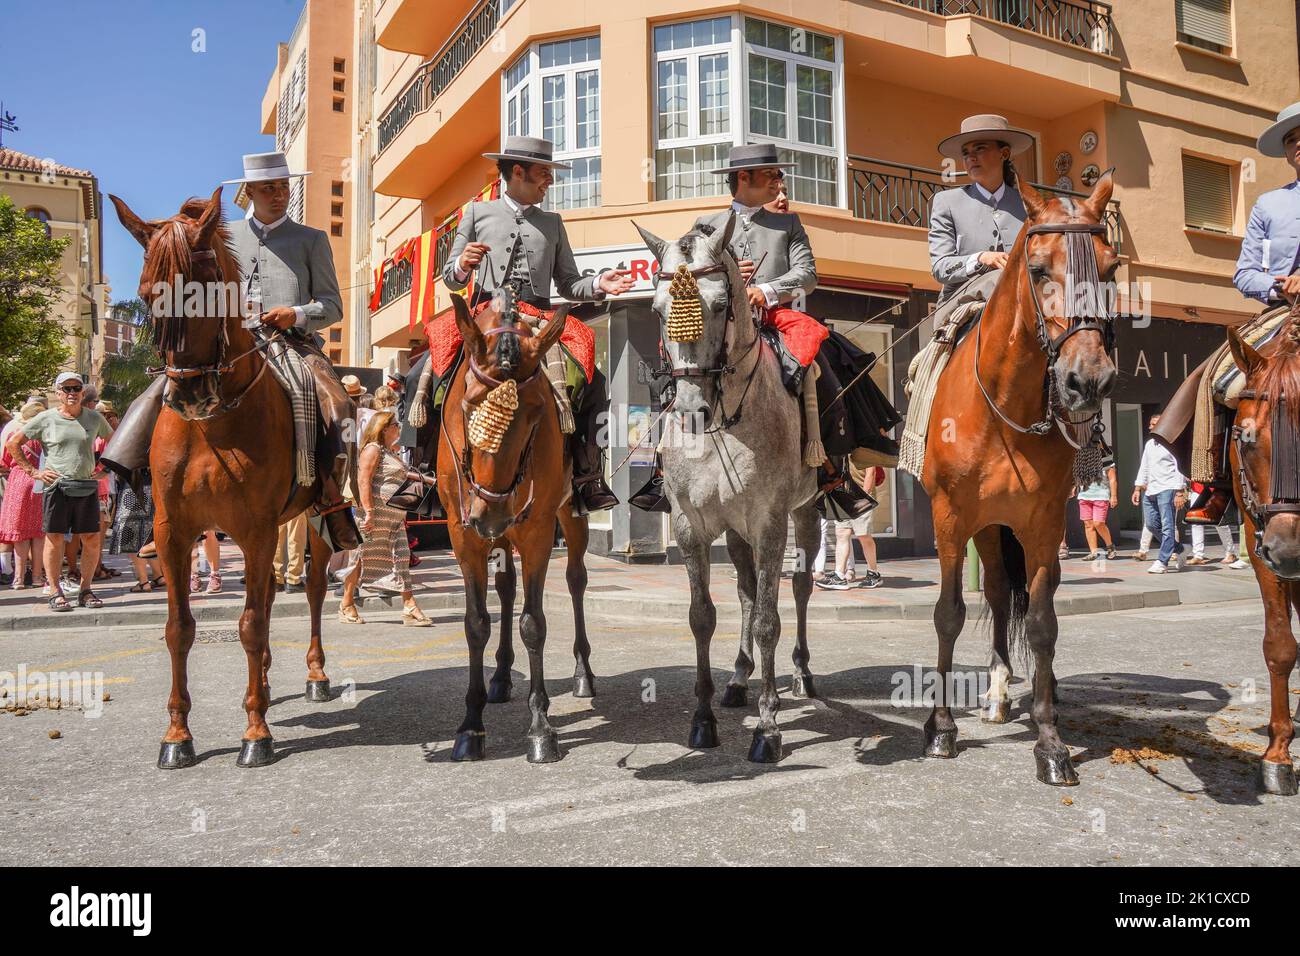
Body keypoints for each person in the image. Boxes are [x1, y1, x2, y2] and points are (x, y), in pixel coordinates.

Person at [103, 151, 359, 550]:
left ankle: (330, 496)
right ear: (250, 192)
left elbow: (331, 306)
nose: (279, 194)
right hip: (223, 340)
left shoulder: (311, 239)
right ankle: (148, 492)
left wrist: (295, 313)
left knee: (339, 404)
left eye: (284, 187)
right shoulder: (222, 235)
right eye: (269, 188)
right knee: (163, 388)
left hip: (288, 341)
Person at [631, 143, 899, 514]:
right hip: (719, 323)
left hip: (774, 319)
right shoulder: (704, 224)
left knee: (823, 362)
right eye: (772, 174)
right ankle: (665, 466)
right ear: (744, 178)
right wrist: (727, 280)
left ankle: (833, 472)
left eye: (779, 174)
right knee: (673, 366)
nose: (780, 180)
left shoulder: (788, 224)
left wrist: (765, 290)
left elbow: (807, 275)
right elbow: (686, 277)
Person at [440, 135, 635, 513]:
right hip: (485, 317)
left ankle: (587, 474)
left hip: (536, 316)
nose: (550, 181)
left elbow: (568, 283)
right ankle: (423, 477)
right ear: (517, 172)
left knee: (592, 380)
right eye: (544, 173)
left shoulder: (553, 222)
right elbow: (451, 278)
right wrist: (463, 263)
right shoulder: (476, 214)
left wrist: (598, 283)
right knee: (425, 374)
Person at [1153, 102, 1300, 525]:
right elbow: (1244, 273)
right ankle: (1214, 485)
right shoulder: (1269, 206)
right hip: (1282, 313)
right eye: (1291, 139)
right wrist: (1276, 285)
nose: (1298, 144)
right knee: (1218, 375)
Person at [3, 372, 113, 611]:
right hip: (56, 487)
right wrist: (33, 472)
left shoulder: (94, 418)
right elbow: (13, 444)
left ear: (83, 393)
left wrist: (104, 468)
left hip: (85, 486)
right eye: (66, 389)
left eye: (76, 389)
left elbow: (115, 442)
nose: (72, 393)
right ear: (58, 393)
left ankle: (86, 590)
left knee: (92, 540)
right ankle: (55, 591)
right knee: (54, 539)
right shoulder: (46, 418)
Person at [338, 411, 435, 626]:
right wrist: (369, 511)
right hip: (374, 516)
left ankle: (409, 605)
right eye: (395, 425)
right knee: (360, 559)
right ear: (383, 428)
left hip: (394, 518)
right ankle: (346, 603)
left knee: (401, 557)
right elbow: (364, 480)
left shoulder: (390, 452)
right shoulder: (372, 450)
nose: (398, 428)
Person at [928, 114, 1033, 306]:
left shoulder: (1029, 205)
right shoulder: (946, 202)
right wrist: (981, 258)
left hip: (1022, 303)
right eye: (966, 153)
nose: (971, 157)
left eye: (980, 148)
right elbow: (940, 267)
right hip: (960, 304)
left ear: (1004, 154)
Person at [0, 398, 48, 592]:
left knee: (19, 533)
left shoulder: (14, 435)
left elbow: (5, 461)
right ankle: (37, 576)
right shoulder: (44, 438)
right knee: (38, 533)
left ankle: (18, 578)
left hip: (19, 481)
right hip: (40, 480)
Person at [1132, 415, 1188, 574]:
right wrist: (1137, 487)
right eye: (1150, 424)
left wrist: (1179, 491)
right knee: (1151, 524)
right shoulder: (1150, 444)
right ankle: (1181, 549)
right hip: (1151, 490)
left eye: (1154, 424)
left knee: (1168, 526)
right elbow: (1145, 466)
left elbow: (1180, 467)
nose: (1151, 427)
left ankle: (1162, 561)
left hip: (1168, 488)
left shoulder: (1172, 443)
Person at [817, 463, 885, 590]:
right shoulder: (842, 449)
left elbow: (871, 472)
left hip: (861, 498)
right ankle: (839, 575)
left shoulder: (864, 446)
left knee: (863, 536)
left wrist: (864, 497)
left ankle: (873, 573)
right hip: (843, 497)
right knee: (842, 534)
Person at [110, 467, 160, 592]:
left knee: (132, 536)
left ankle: (143, 581)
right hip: (152, 483)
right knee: (148, 534)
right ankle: (158, 575)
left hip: (132, 485)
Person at [1076, 436, 1119, 560]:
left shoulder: (1108, 462)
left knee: (1098, 523)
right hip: (1084, 496)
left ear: (1101, 446)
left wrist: (1114, 496)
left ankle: (1110, 546)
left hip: (1101, 496)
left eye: (1096, 445)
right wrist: (1074, 487)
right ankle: (1093, 552)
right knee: (1088, 524)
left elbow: (1112, 480)